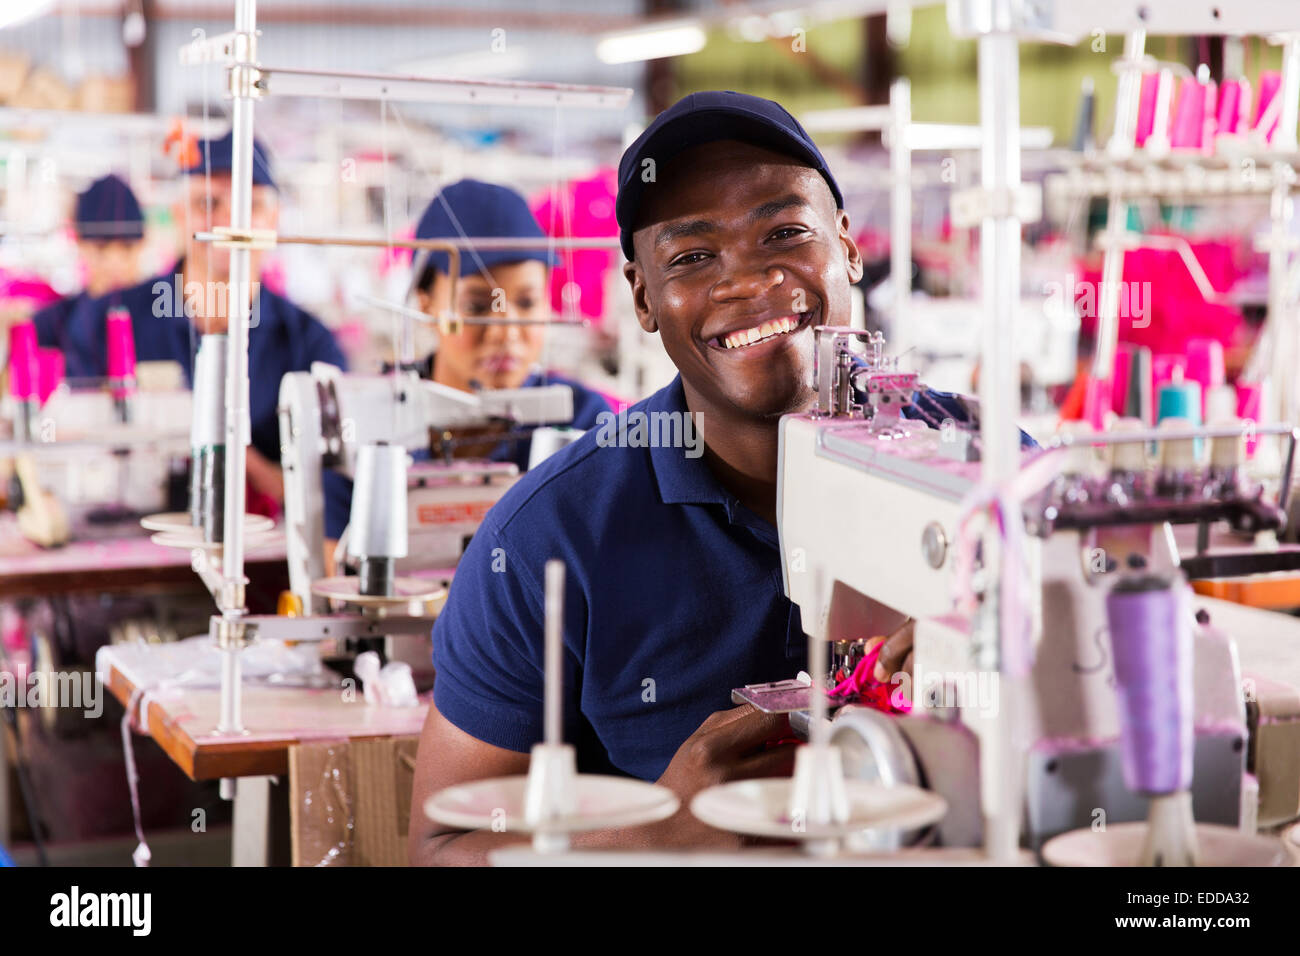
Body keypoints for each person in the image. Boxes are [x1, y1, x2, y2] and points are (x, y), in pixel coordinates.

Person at [411, 92, 935, 866]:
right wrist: (658, 837)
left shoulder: (989, 480)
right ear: (643, 297)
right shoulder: (545, 541)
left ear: (849, 249)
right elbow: (440, 847)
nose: (748, 281)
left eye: (785, 231)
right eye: (693, 257)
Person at [60, 131, 347, 503]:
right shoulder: (106, 321)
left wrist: (240, 458)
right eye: (208, 202)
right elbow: (77, 457)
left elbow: (331, 494)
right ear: (179, 214)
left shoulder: (309, 343)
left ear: (273, 220)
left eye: (251, 206)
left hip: (267, 557)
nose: (229, 220)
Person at [322, 180, 612, 541]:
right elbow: (337, 575)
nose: (506, 331)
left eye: (526, 303)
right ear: (425, 301)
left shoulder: (582, 420)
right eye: (477, 306)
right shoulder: (368, 420)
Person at [32, 174, 146, 353]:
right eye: (101, 248)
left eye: (127, 247)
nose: (114, 263)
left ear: (143, 243)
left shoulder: (164, 319)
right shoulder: (50, 326)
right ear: (79, 242)